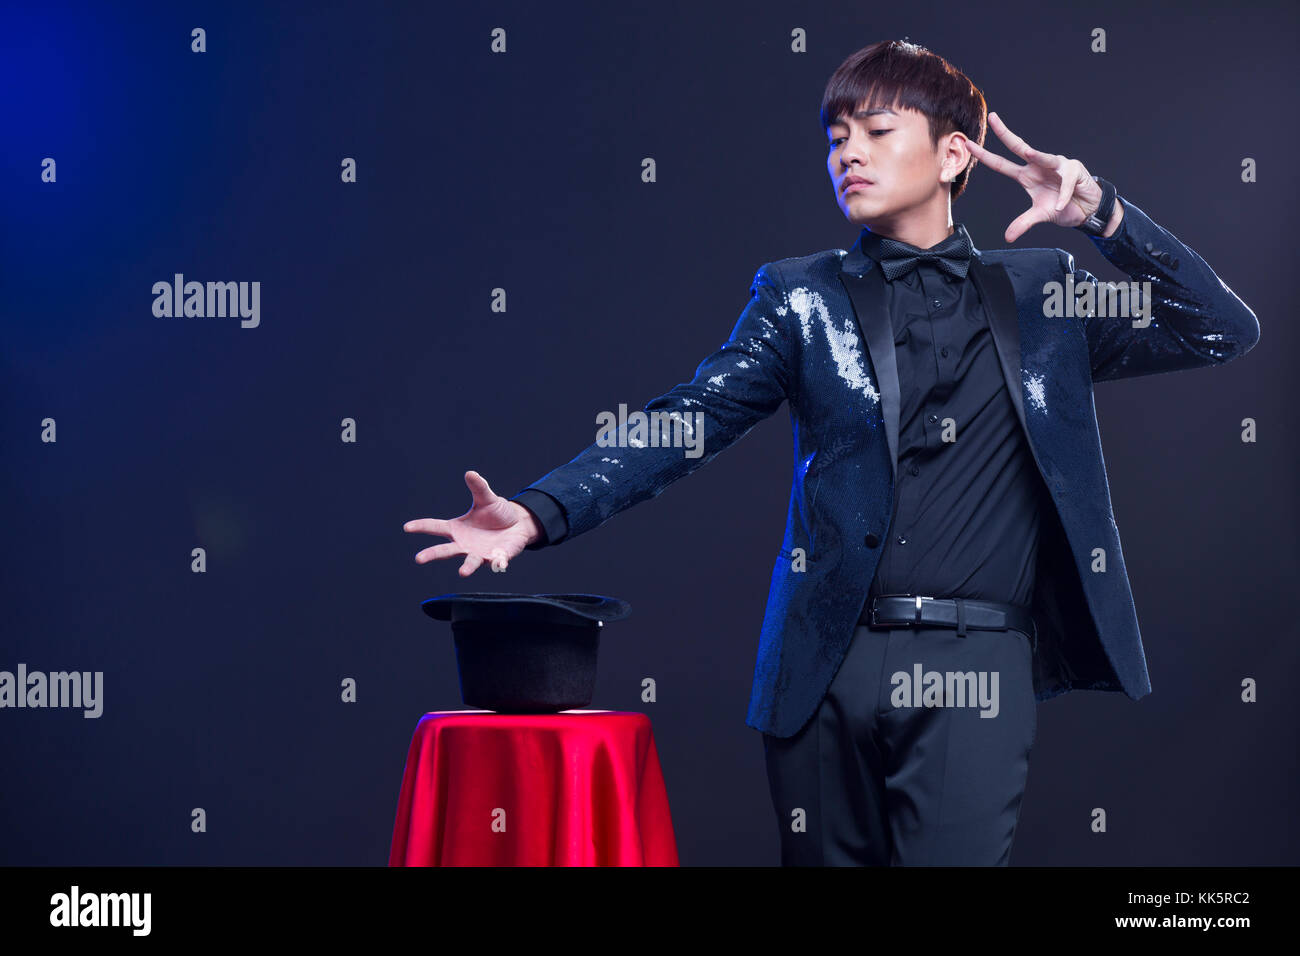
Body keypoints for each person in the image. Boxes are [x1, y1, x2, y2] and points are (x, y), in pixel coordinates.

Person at [403, 40, 1259, 865]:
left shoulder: (1043, 292)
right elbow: (690, 418)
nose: (849, 153)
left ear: (954, 153)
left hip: (975, 666)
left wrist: (1101, 215)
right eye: (836, 137)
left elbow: (1219, 328)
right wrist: (540, 510)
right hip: (825, 662)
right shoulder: (796, 295)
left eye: (877, 131)